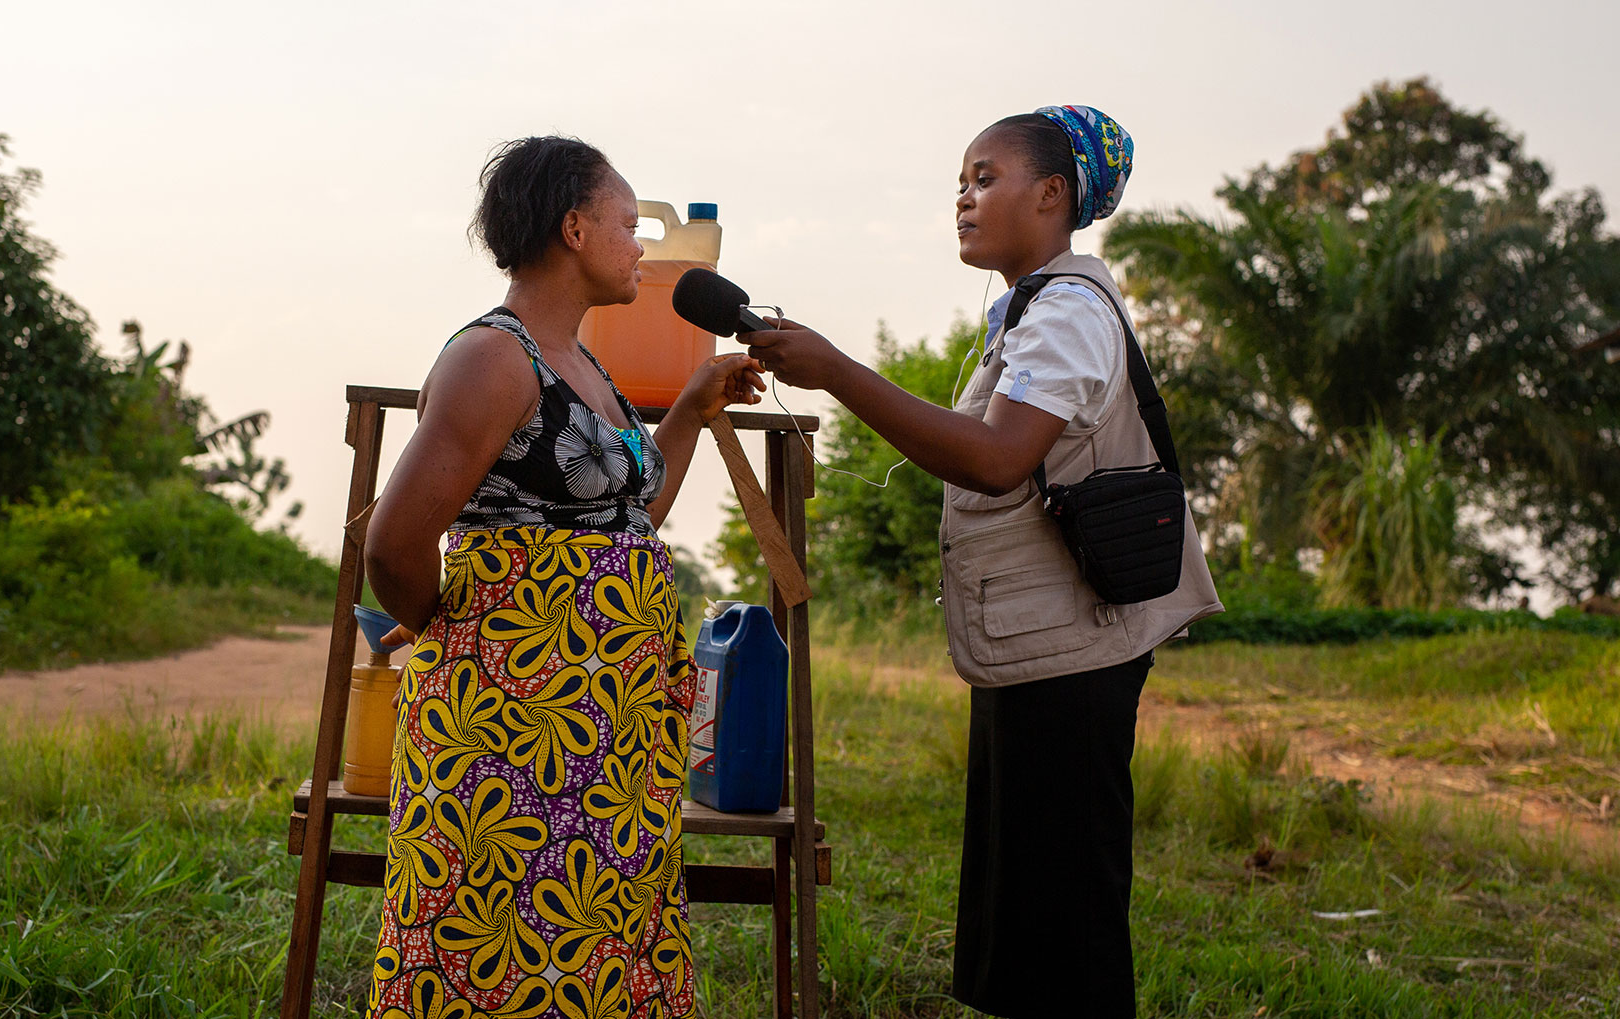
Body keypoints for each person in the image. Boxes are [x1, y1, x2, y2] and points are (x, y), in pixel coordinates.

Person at [740, 106, 1222, 1018]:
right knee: (1028, 913)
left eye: (985, 177)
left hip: (1075, 655)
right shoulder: (1034, 308)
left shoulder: (1070, 313)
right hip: (1039, 642)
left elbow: (994, 457)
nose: (963, 199)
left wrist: (837, 370)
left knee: (1065, 926)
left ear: (1052, 194)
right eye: (960, 183)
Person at [363, 135, 763, 1019]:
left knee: (591, 934)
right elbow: (393, 544)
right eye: (628, 225)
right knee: (497, 934)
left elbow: (621, 522)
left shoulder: (584, 365)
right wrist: (460, 633)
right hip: (514, 721)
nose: (642, 247)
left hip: (603, 730)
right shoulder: (495, 358)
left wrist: (692, 408)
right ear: (575, 228)